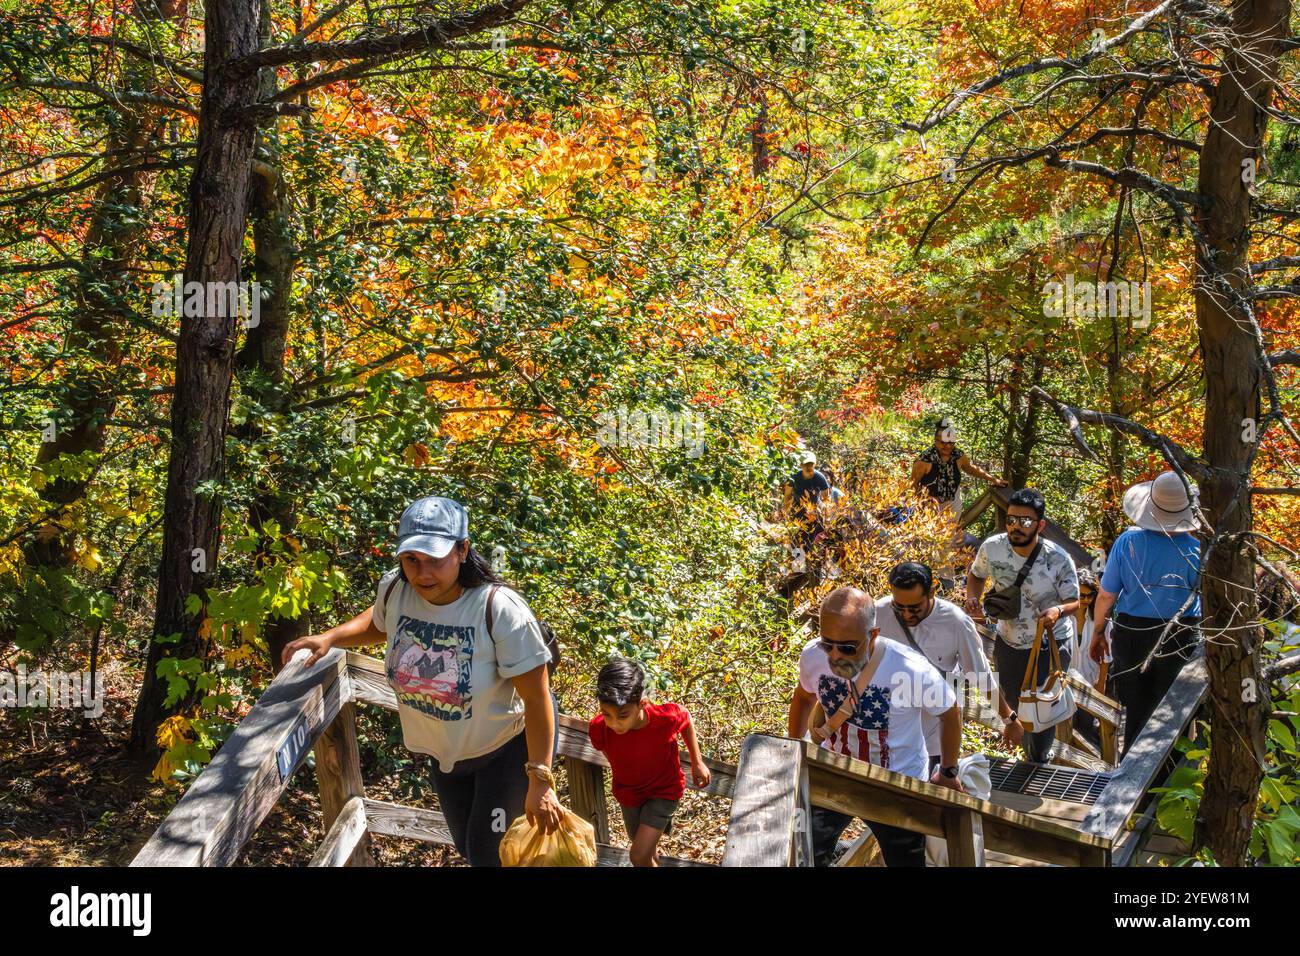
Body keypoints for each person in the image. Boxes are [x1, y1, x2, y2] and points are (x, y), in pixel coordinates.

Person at [282, 495, 563, 867]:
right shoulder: (398, 589)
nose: (422, 573)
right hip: (445, 753)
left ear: (462, 550)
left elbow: (538, 698)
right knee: (467, 844)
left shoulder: (499, 609)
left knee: (487, 853)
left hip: (505, 750)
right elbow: (381, 620)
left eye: (434, 560)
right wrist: (330, 637)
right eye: (411, 560)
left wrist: (540, 778)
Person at [788, 587, 965, 867]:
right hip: (835, 771)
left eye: (847, 647)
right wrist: (792, 747)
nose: (835, 656)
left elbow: (949, 711)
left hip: (896, 782)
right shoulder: (813, 656)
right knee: (805, 849)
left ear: (873, 635)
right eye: (827, 644)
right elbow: (804, 695)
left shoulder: (908, 669)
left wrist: (948, 770)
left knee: (904, 860)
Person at [1089, 471, 1201, 756]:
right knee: (1173, 713)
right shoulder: (1198, 550)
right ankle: (1169, 782)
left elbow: (1106, 594)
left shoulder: (1128, 542)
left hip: (1131, 634)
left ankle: (1129, 773)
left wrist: (1098, 632)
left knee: (1135, 710)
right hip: (1181, 634)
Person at [965, 488, 1080, 763]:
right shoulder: (992, 547)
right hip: (1009, 641)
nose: (1017, 526)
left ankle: (1038, 760)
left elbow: (1075, 602)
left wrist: (1057, 610)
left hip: (1049, 644)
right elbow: (976, 574)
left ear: (1040, 524)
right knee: (1015, 703)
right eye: (1011, 519)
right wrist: (972, 597)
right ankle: (1030, 751)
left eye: (1026, 521)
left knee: (1042, 708)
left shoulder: (1058, 558)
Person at [876, 561, 1016, 771]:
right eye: (899, 607)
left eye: (914, 608)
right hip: (890, 726)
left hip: (936, 729)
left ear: (932, 592)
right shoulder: (879, 612)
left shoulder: (955, 622)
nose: (906, 615)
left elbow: (980, 675)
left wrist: (1008, 718)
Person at [588, 658, 710, 867]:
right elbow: (612, 753)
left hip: (664, 791)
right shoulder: (599, 729)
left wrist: (697, 762)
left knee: (638, 855)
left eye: (623, 715)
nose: (614, 723)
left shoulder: (663, 719)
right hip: (629, 794)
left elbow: (686, 717)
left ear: (642, 703)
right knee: (645, 851)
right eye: (606, 714)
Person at [910, 418, 1007, 518]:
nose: (947, 446)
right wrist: (920, 507)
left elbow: (970, 468)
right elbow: (913, 485)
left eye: (951, 442)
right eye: (943, 442)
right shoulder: (924, 460)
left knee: (951, 533)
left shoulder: (958, 455)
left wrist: (993, 479)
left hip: (953, 505)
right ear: (936, 441)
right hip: (929, 507)